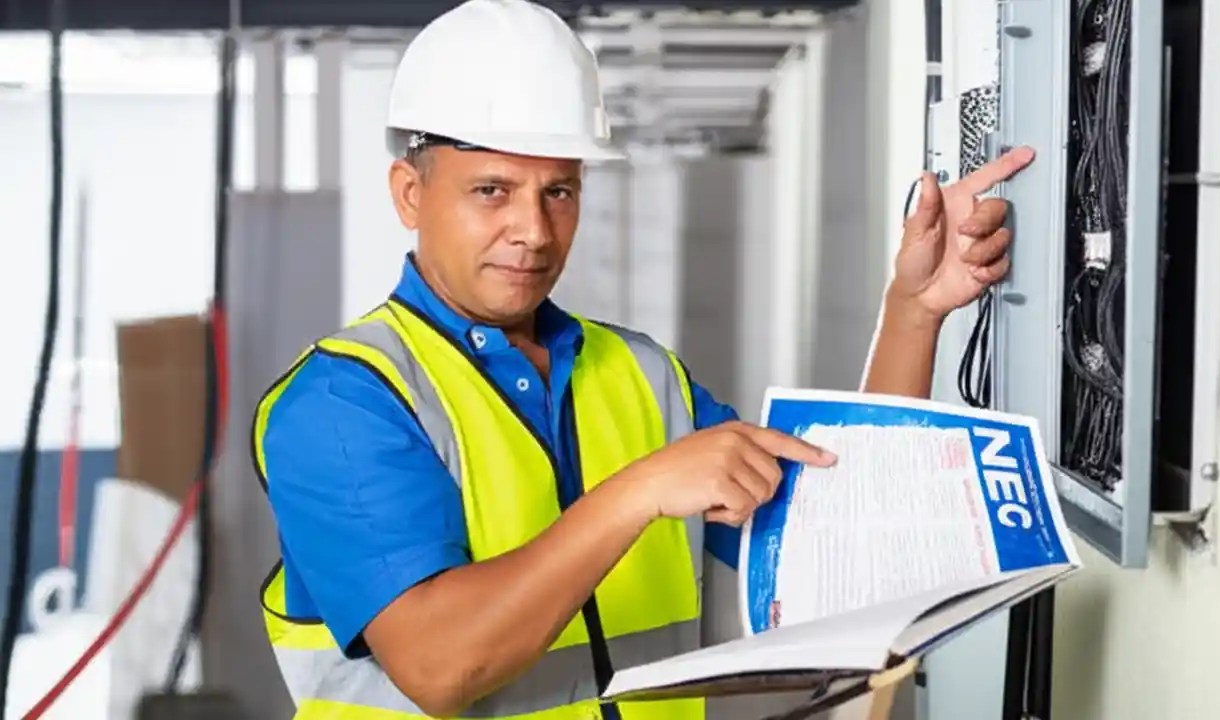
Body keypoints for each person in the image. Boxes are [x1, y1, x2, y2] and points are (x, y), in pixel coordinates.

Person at [251, 0, 1035, 718]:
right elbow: (440, 663)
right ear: (410, 195)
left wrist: (914, 311)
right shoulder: (344, 403)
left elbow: (832, 542)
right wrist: (638, 492)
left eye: (559, 191)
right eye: (492, 190)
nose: (533, 229)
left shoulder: (640, 374)